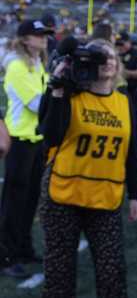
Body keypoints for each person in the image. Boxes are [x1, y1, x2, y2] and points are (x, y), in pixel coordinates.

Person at [38, 39, 137, 297]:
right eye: (99, 56)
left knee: (112, 272)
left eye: (111, 57)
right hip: (63, 194)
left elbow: (131, 151)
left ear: (117, 64)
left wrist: (135, 194)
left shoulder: (123, 101)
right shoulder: (71, 95)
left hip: (105, 197)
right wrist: (58, 89)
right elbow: (49, 136)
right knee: (59, 271)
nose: (107, 61)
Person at [0, 19, 51, 278]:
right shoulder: (17, 66)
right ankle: (5, 256)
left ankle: (23, 249)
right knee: (13, 201)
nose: (44, 38)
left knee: (30, 200)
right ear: (25, 39)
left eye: (44, 34)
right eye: (38, 34)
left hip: (35, 139)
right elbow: (36, 103)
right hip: (19, 140)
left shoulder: (38, 63)